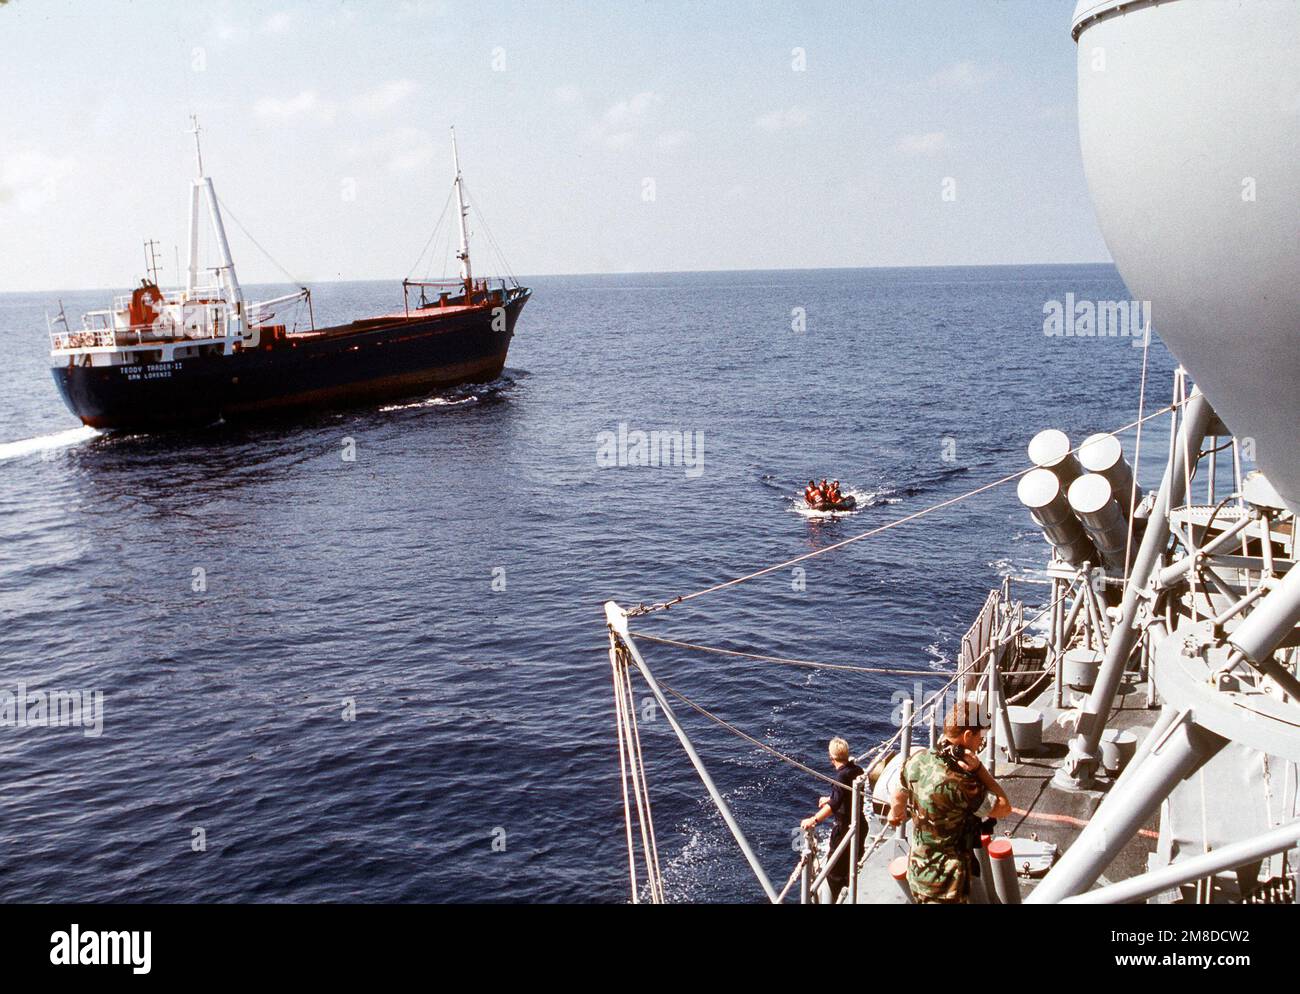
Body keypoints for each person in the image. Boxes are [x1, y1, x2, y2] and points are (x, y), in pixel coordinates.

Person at [888, 703, 1012, 903]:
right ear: (967, 736)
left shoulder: (917, 760)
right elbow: (1004, 807)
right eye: (979, 735)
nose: (980, 741)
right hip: (947, 884)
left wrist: (895, 815)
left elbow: (898, 796)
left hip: (918, 873)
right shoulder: (963, 783)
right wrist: (980, 769)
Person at [800, 737, 866, 902]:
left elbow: (834, 806)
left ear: (831, 758)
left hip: (845, 829)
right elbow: (846, 795)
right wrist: (830, 798)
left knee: (834, 872)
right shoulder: (856, 770)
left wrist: (813, 820)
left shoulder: (841, 777)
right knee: (852, 862)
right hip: (860, 824)